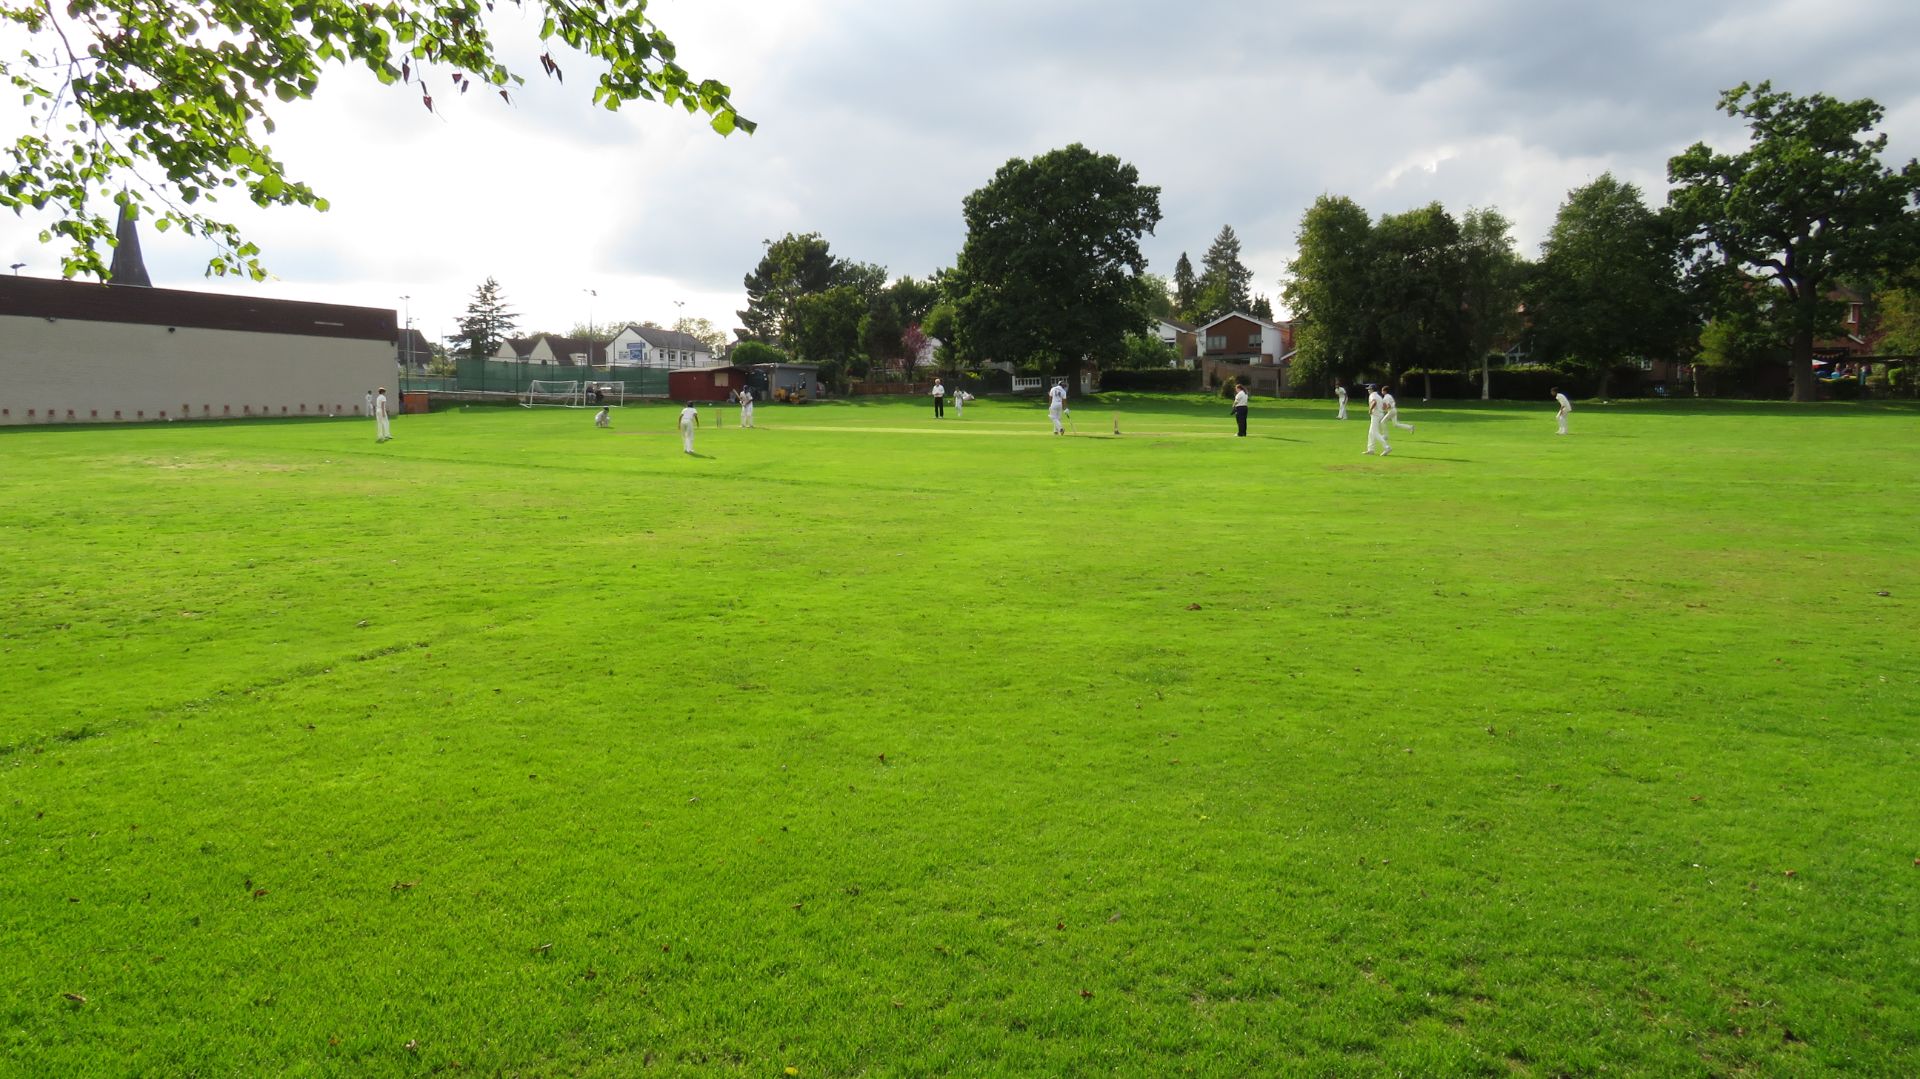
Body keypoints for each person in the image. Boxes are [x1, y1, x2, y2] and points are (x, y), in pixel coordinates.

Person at [1364, 384, 1390, 456]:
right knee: (1371, 432)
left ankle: (1386, 447)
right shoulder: (1379, 396)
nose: (1368, 390)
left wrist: (1370, 409)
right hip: (1380, 414)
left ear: (1372, 389)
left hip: (1375, 415)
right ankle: (1370, 449)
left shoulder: (1372, 395)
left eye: (1369, 389)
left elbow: (1374, 402)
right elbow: (1384, 406)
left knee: (1374, 432)